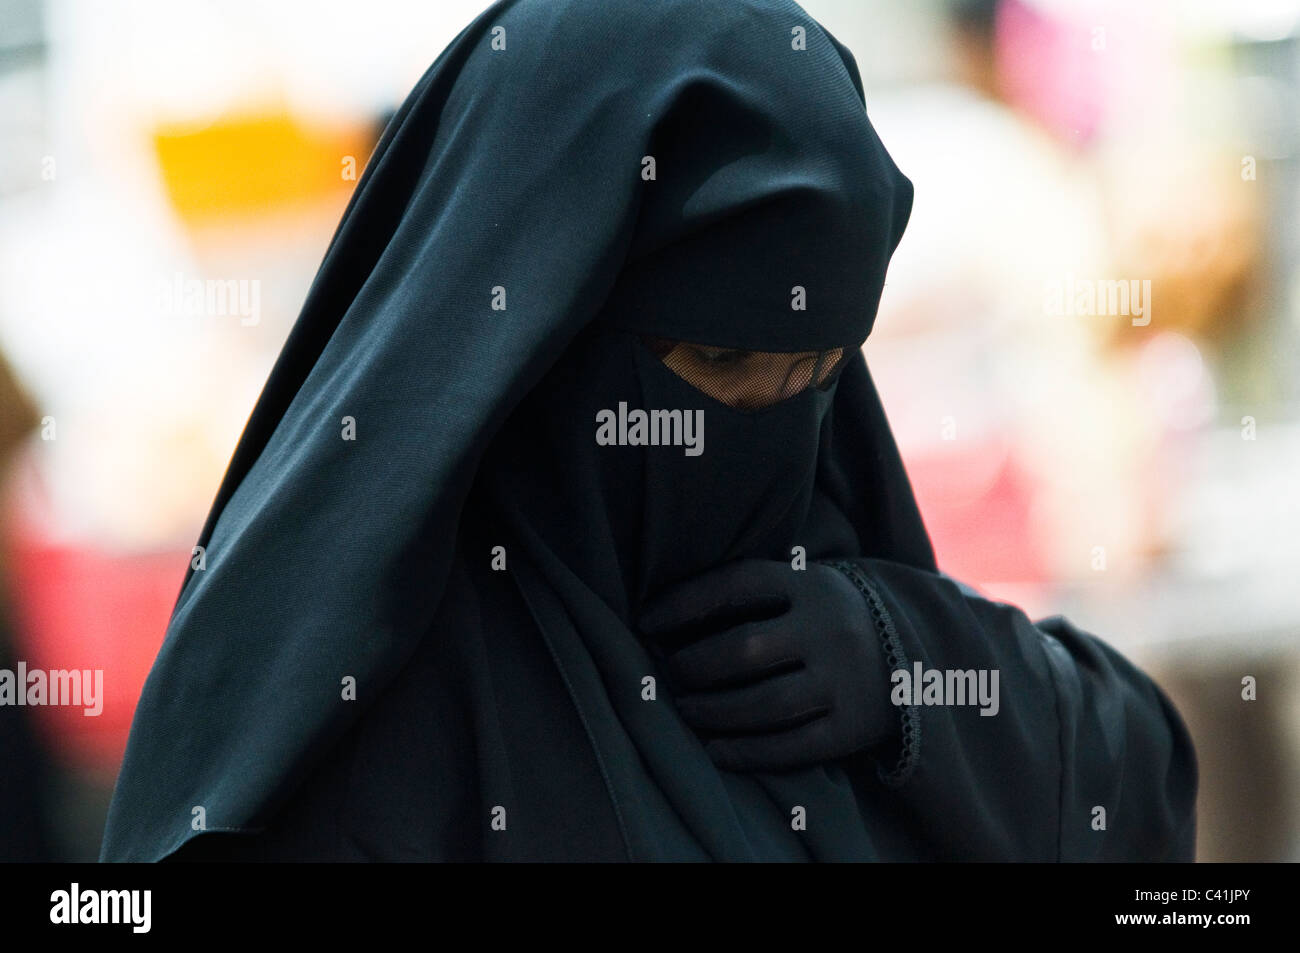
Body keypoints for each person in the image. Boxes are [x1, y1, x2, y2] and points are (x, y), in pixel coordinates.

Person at [100, 0, 1196, 862]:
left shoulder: (822, 592)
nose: (768, 420)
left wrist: (911, 661)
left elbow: (1137, 786)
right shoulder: (356, 733)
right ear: (541, 327)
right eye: (717, 362)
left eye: (816, 374)